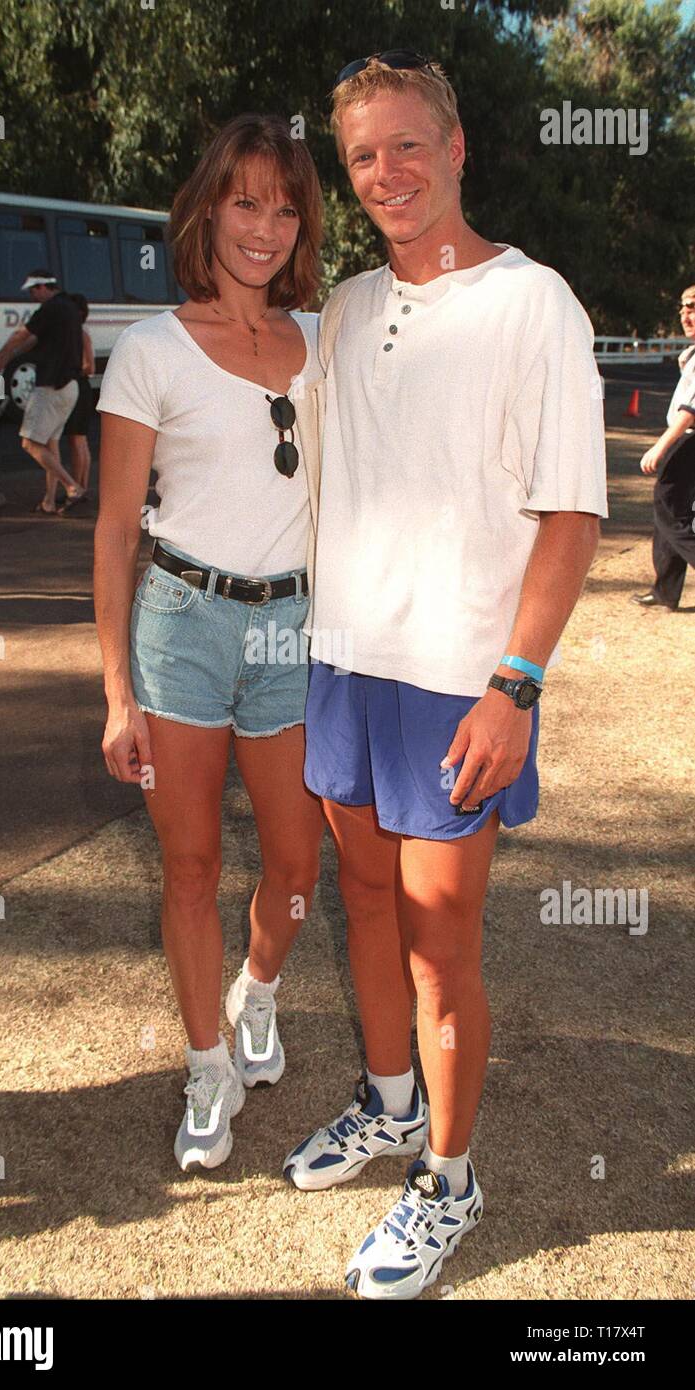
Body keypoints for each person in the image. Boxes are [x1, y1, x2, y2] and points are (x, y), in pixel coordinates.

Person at [285, 53, 608, 1300]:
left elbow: (571, 515)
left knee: (437, 947)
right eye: (363, 157)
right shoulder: (354, 309)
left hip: (457, 684)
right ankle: (387, 1104)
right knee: (364, 905)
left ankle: (450, 1184)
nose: (385, 174)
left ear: (457, 147)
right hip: (344, 667)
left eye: (406, 146)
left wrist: (513, 685)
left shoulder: (537, 304)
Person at [94, 114, 326, 1172]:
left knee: (293, 860)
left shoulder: (325, 339)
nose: (265, 226)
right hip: (181, 625)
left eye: (285, 206)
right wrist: (115, 692)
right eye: (245, 201)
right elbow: (112, 530)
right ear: (206, 209)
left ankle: (259, 991)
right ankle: (205, 1066)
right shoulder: (148, 350)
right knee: (187, 865)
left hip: (292, 626)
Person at [0, 271, 86, 515]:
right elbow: (33, 341)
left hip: (51, 386)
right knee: (50, 446)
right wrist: (9, 357)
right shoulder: (69, 308)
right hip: (70, 386)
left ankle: (72, 486)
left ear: (43, 287)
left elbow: (23, 335)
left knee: (29, 442)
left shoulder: (50, 308)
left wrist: (1, 356)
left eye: (32, 291)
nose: (32, 296)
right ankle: (49, 501)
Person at [631, 285, 695, 610]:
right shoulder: (691, 355)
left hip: (687, 440)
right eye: (683, 308)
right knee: (667, 514)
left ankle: (665, 590)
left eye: (693, 307)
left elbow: (688, 413)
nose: (685, 315)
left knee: (671, 513)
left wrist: (659, 448)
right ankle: (665, 590)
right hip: (685, 439)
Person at [63, 293, 94, 496]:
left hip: (79, 386)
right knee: (79, 440)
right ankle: (81, 484)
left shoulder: (80, 334)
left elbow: (88, 366)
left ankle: (78, 486)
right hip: (83, 388)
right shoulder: (81, 333)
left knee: (76, 440)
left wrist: (70, 369)